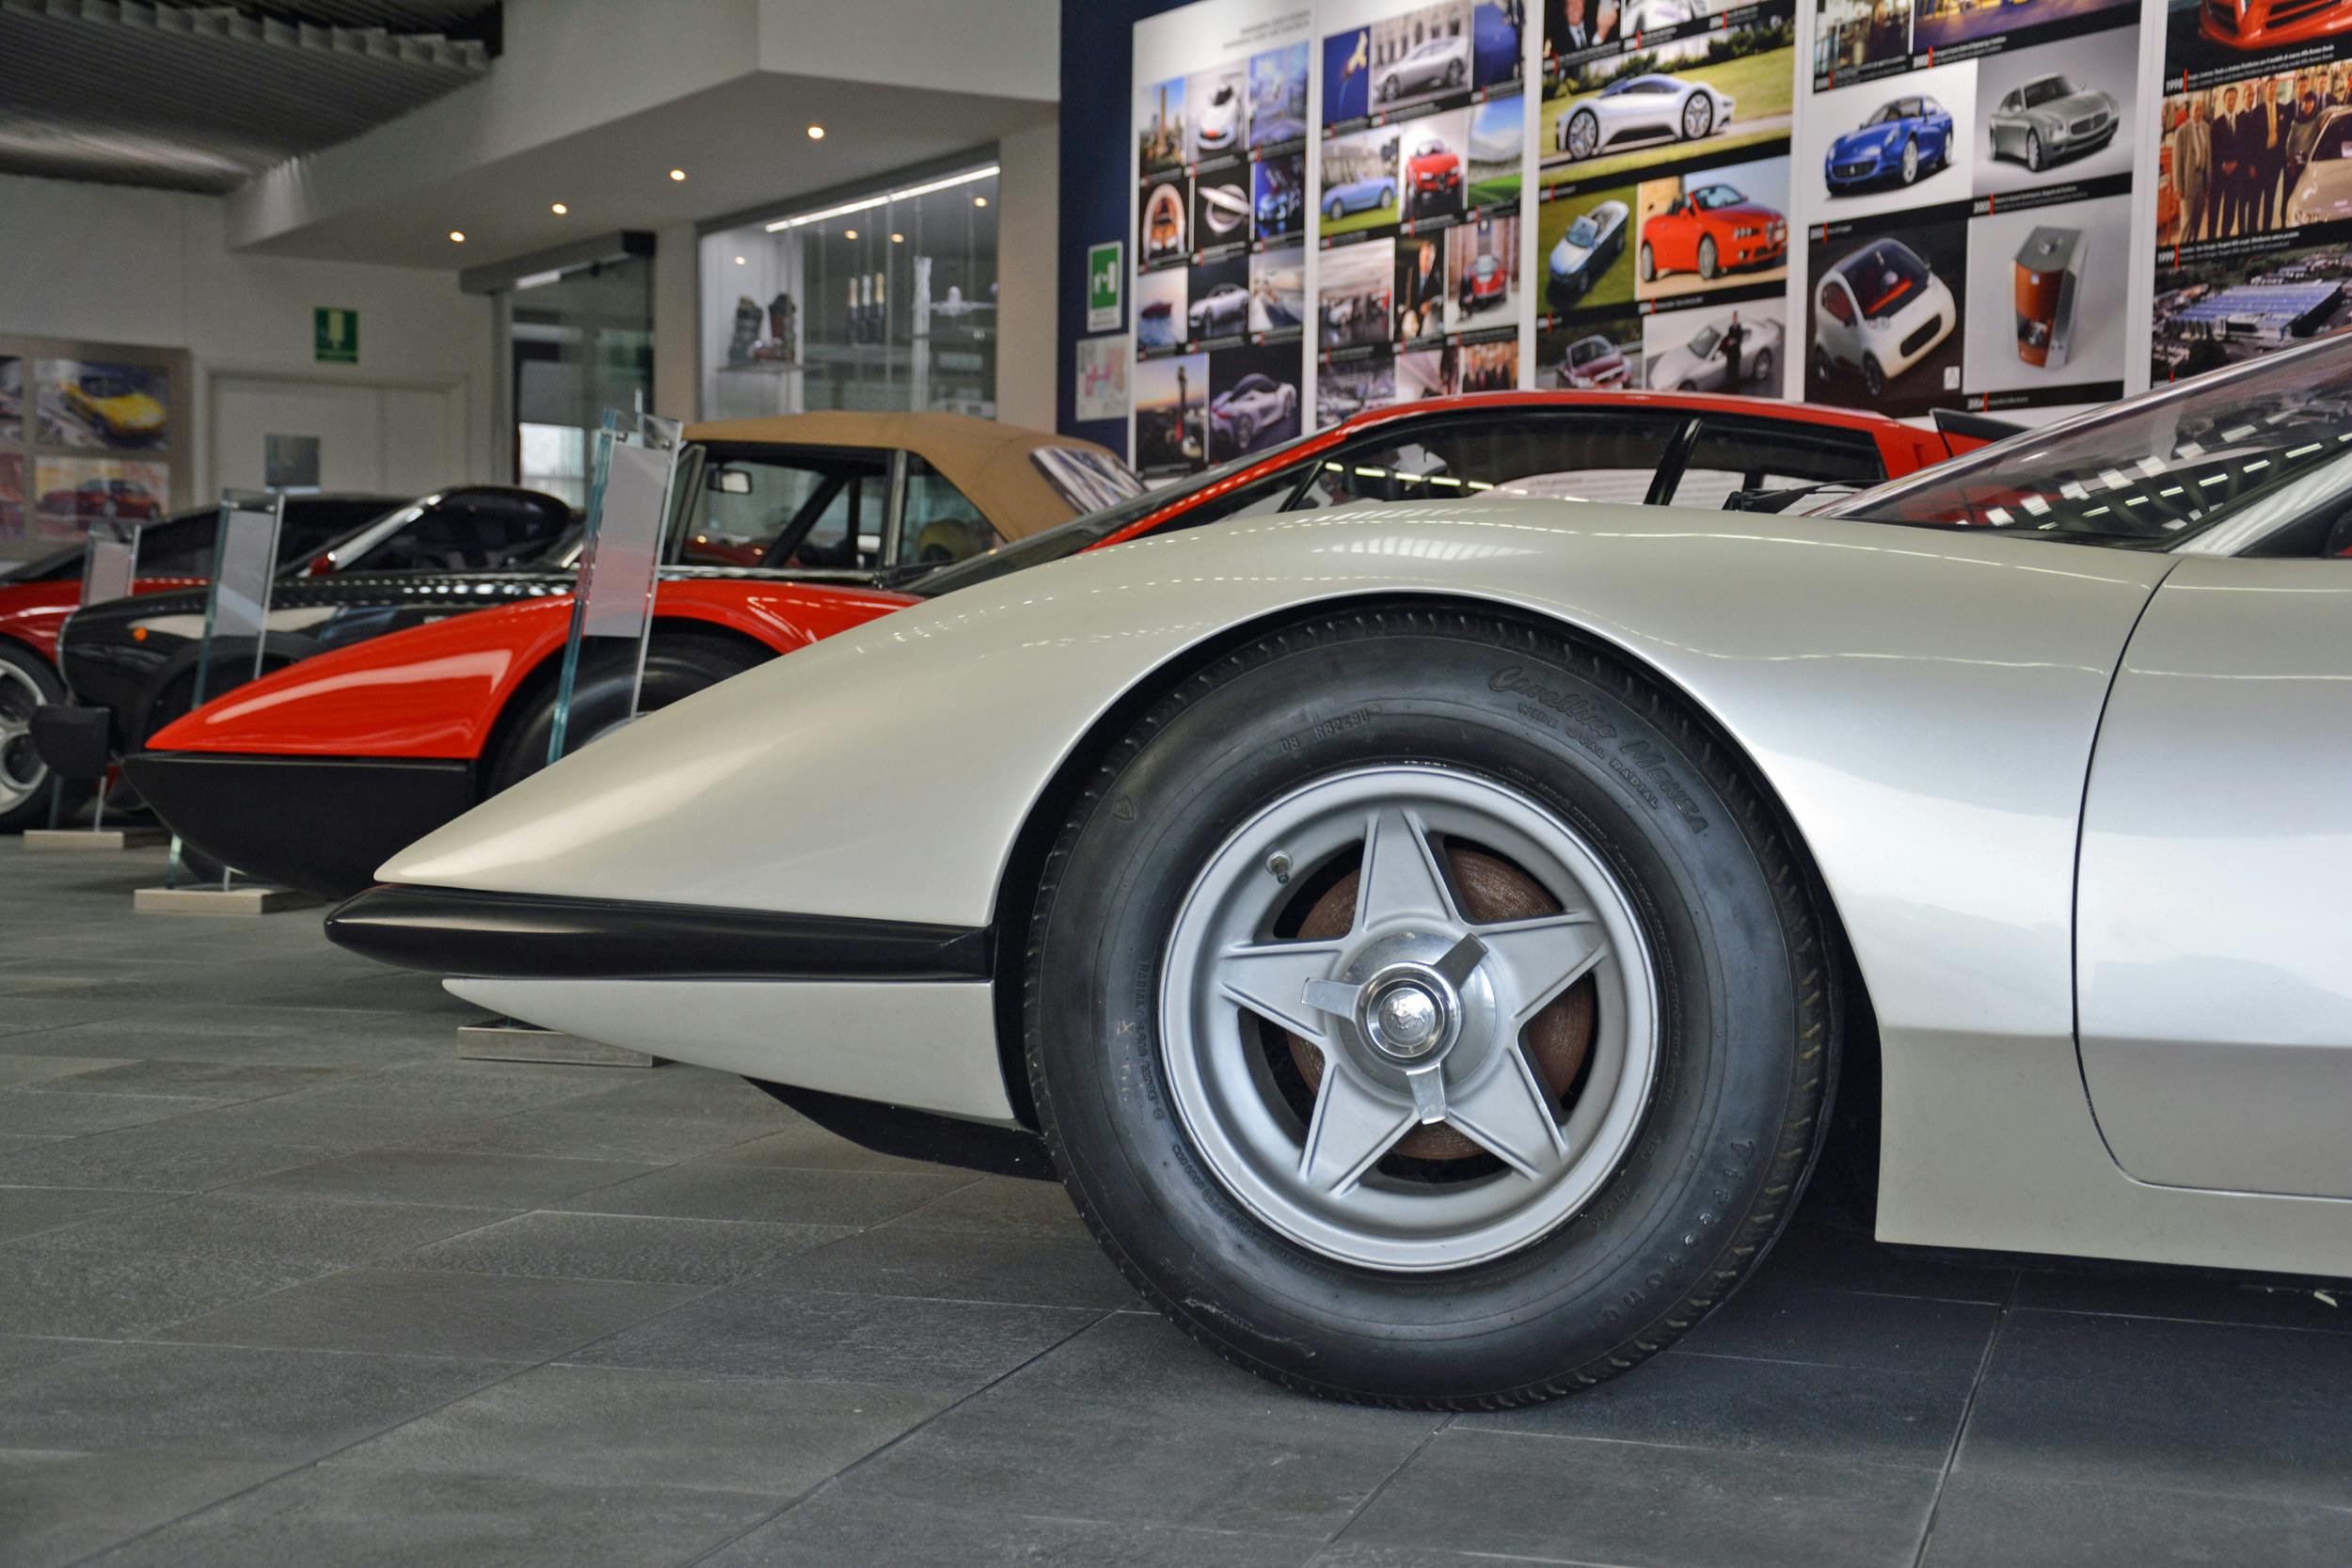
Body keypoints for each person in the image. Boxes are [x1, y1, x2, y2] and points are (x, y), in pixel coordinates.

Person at [2173, 93, 2213, 244]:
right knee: (2187, 223)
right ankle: (2180, 255)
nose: (2199, 112)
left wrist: (2208, 182)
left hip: (2201, 180)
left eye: (2201, 109)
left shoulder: (2205, 128)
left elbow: (2209, 156)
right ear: (2190, 111)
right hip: (2187, 182)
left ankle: (2193, 250)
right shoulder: (2182, 131)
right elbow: (2177, 161)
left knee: (2197, 220)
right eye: (2196, 109)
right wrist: (2178, 186)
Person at [2214, 85, 2244, 237]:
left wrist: (2236, 163)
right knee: (2216, 207)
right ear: (2224, 101)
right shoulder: (2216, 123)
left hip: (2235, 172)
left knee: (2230, 207)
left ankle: (2225, 235)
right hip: (2220, 173)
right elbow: (2214, 149)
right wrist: (2223, 165)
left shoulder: (2240, 121)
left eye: (2234, 99)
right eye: (2229, 99)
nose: (2231, 102)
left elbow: (2243, 146)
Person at [1722, 311, 1746, 385]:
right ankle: (1730, 384)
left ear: (1737, 318)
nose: (1734, 318)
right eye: (1733, 317)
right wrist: (1729, 342)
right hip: (1730, 353)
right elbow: (1728, 338)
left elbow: (1740, 339)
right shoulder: (1730, 327)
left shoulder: (1739, 328)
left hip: (1736, 353)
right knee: (1729, 369)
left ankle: (1735, 385)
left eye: (1735, 317)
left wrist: (1734, 341)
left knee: (1735, 370)